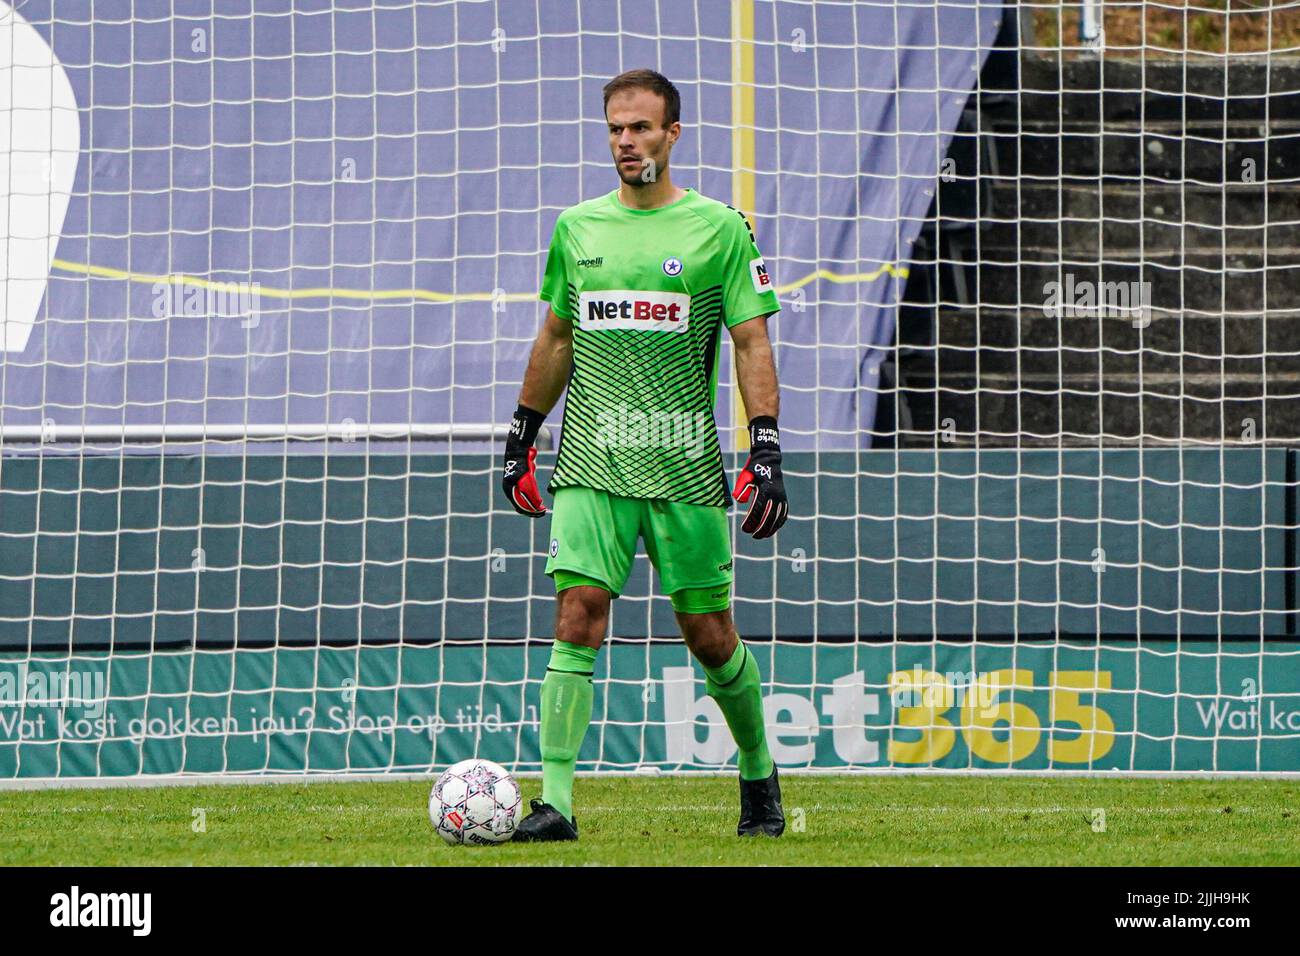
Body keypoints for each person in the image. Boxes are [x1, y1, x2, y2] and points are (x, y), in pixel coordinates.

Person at [502, 68, 788, 841]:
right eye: (615, 130)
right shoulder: (578, 228)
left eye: (640, 128)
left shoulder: (720, 230)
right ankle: (554, 803)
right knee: (577, 616)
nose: (627, 142)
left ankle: (758, 772)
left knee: (710, 635)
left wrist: (764, 449)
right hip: (591, 459)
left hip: (683, 462)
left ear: (673, 135)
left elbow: (750, 341)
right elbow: (557, 338)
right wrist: (523, 433)